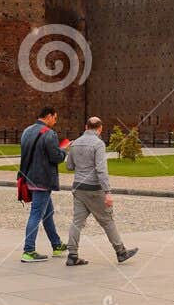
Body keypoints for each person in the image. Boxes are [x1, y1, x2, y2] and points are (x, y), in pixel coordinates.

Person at [64, 116, 137, 267]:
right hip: (94, 189)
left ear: (85, 127)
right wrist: (108, 192)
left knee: (77, 222)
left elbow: (69, 166)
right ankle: (120, 251)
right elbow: (101, 170)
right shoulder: (98, 144)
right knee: (107, 220)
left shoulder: (75, 143)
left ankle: (72, 254)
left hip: (78, 188)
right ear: (100, 128)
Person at [18, 106, 67, 263]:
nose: (55, 121)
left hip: (29, 177)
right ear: (49, 116)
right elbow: (56, 157)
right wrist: (64, 150)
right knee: (36, 214)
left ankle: (56, 245)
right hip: (43, 179)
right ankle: (29, 250)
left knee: (48, 214)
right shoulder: (49, 134)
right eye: (55, 118)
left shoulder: (26, 131)